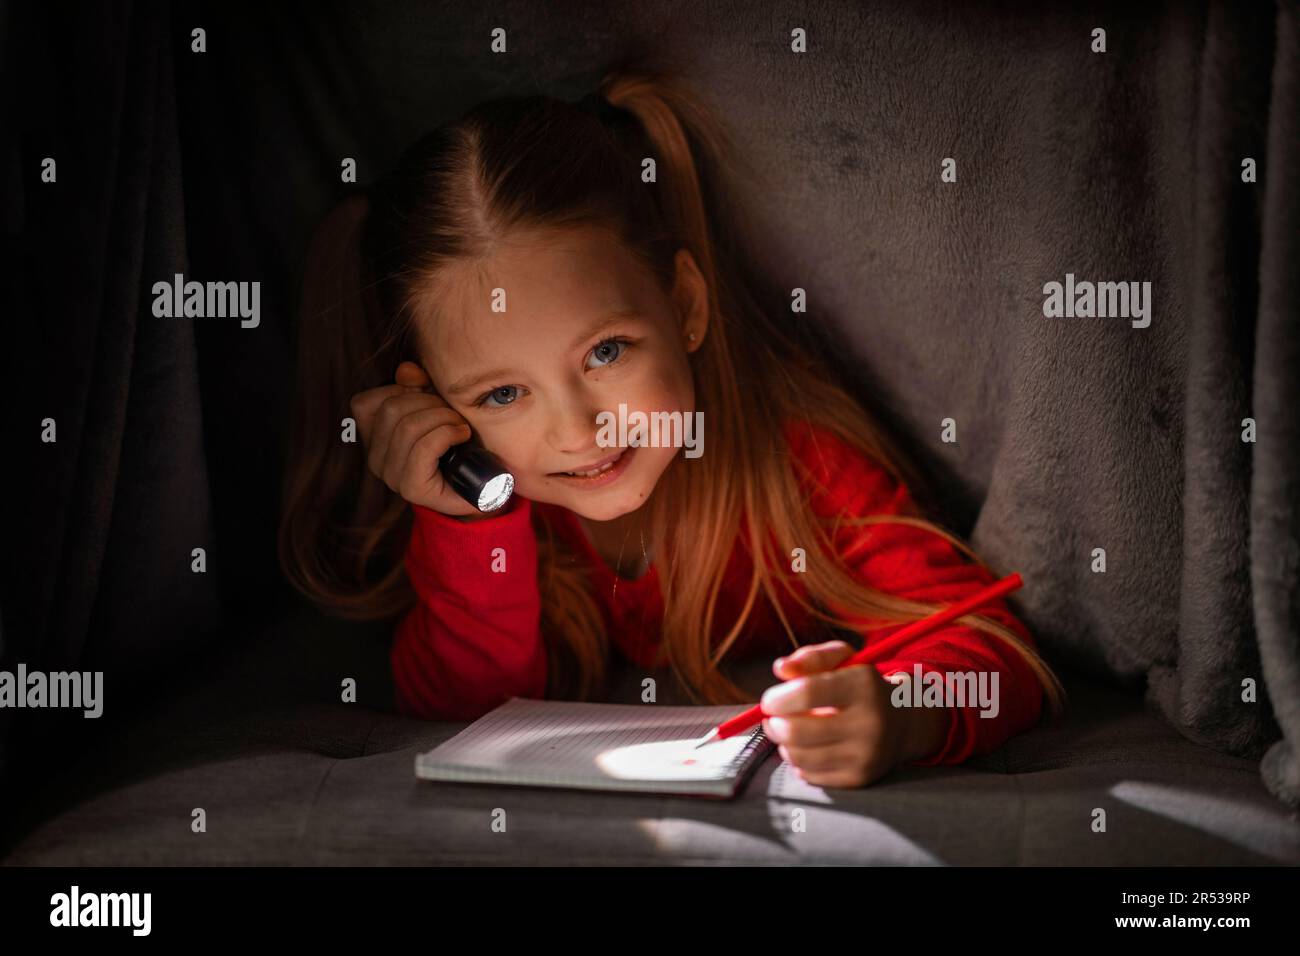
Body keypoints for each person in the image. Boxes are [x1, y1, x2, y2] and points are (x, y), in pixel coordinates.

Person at [279, 66, 1065, 789]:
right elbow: (460, 706)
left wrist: (903, 715)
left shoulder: (794, 458)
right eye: (502, 395)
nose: (579, 430)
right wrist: (462, 516)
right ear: (437, 409)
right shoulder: (492, 503)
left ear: (685, 305)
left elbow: (992, 646)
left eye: (607, 351)